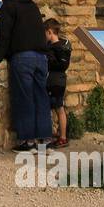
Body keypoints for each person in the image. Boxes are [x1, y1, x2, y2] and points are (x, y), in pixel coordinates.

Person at [0, 0, 52, 150]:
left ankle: (27, 140)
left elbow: (4, 35)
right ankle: (45, 138)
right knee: (41, 96)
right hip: (41, 57)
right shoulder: (32, 5)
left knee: (24, 97)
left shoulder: (8, 6)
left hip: (22, 57)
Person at [44, 18, 72, 148]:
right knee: (59, 108)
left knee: (51, 108)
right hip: (61, 80)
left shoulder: (52, 49)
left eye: (45, 33)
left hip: (53, 81)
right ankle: (62, 136)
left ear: (50, 32)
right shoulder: (65, 45)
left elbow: (53, 64)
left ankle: (54, 136)